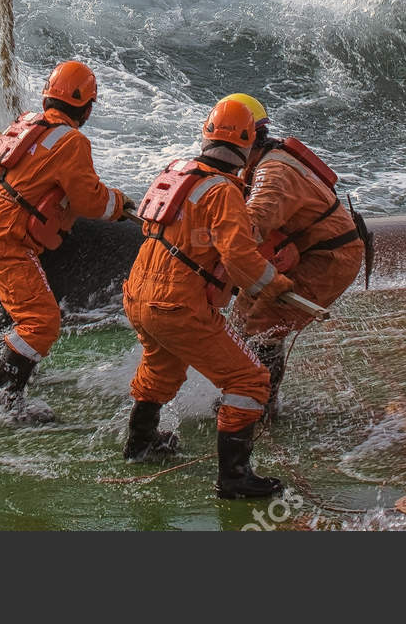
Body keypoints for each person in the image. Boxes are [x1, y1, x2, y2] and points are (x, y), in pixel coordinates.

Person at [121, 97, 297, 499]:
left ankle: (140, 443)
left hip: (139, 295)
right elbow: (239, 257)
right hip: (179, 305)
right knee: (251, 379)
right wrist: (275, 286)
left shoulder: (176, 172)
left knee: (161, 369)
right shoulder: (224, 192)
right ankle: (234, 478)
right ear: (247, 142)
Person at [0, 60, 129, 417]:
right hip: (7, 232)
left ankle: (8, 366)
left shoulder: (28, 122)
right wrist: (119, 203)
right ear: (87, 108)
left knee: (28, 313)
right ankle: (5, 404)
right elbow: (90, 200)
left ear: (47, 100)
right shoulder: (72, 142)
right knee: (42, 321)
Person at [223, 93, 368, 420]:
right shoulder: (260, 162)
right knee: (240, 318)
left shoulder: (272, 173)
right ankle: (247, 393)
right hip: (302, 249)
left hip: (327, 258)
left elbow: (250, 226)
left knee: (264, 325)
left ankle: (259, 406)